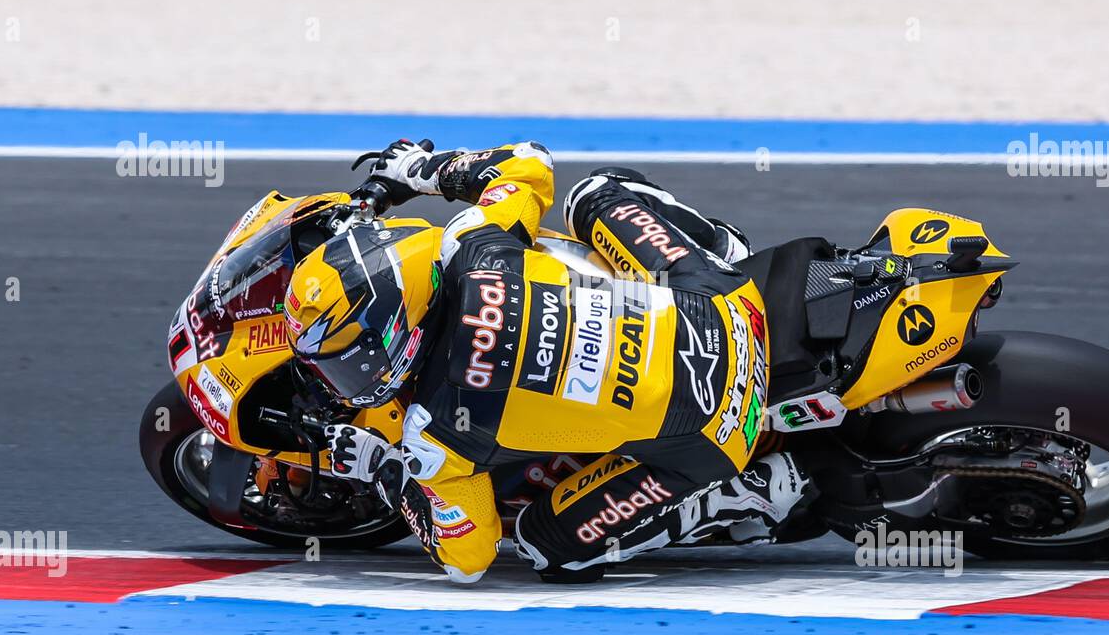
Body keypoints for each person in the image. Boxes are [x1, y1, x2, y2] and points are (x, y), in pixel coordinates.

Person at [285, 139, 830, 584]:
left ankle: (734, 496)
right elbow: (530, 162)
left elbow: (468, 558)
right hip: (729, 304)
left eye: (351, 361)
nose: (345, 379)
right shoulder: (472, 243)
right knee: (595, 192)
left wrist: (379, 466)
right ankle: (726, 248)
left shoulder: (435, 435)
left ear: (397, 330)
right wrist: (419, 171)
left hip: (716, 432)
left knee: (544, 548)